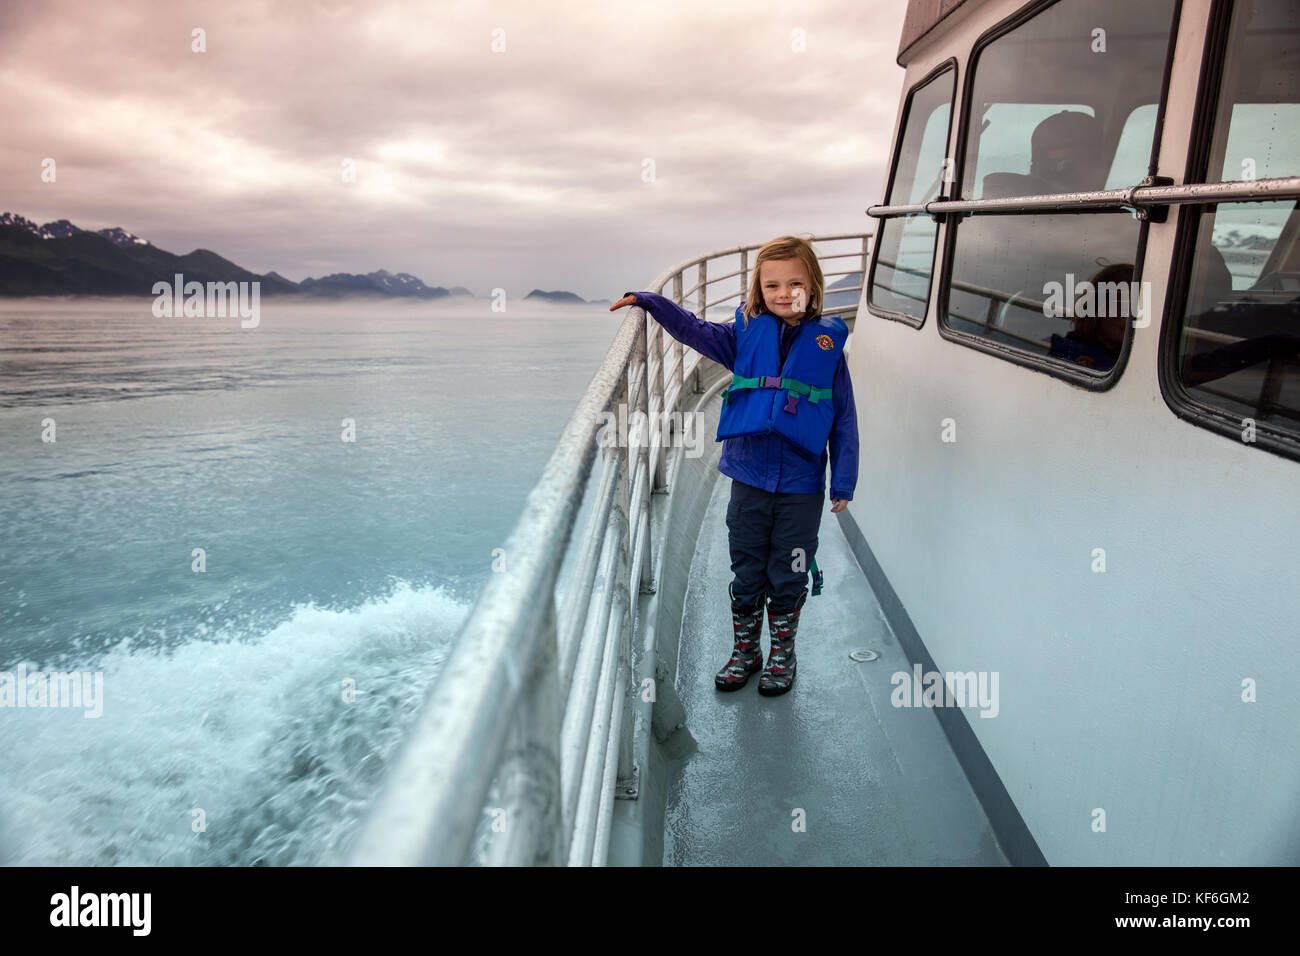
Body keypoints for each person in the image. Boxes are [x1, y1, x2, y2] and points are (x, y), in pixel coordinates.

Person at [609, 236, 859, 695]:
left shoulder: (828, 347)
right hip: (748, 478)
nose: (784, 293)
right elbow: (693, 330)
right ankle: (746, 650)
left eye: (795, 283)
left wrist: (843, 480)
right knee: (746, 567)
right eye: (772, 286)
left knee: (789, 569)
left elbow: (844, 419)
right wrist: (651, 301)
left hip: (802, 486)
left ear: (813, 286)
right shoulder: (743, 334)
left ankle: (782, 654)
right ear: (758, 291)